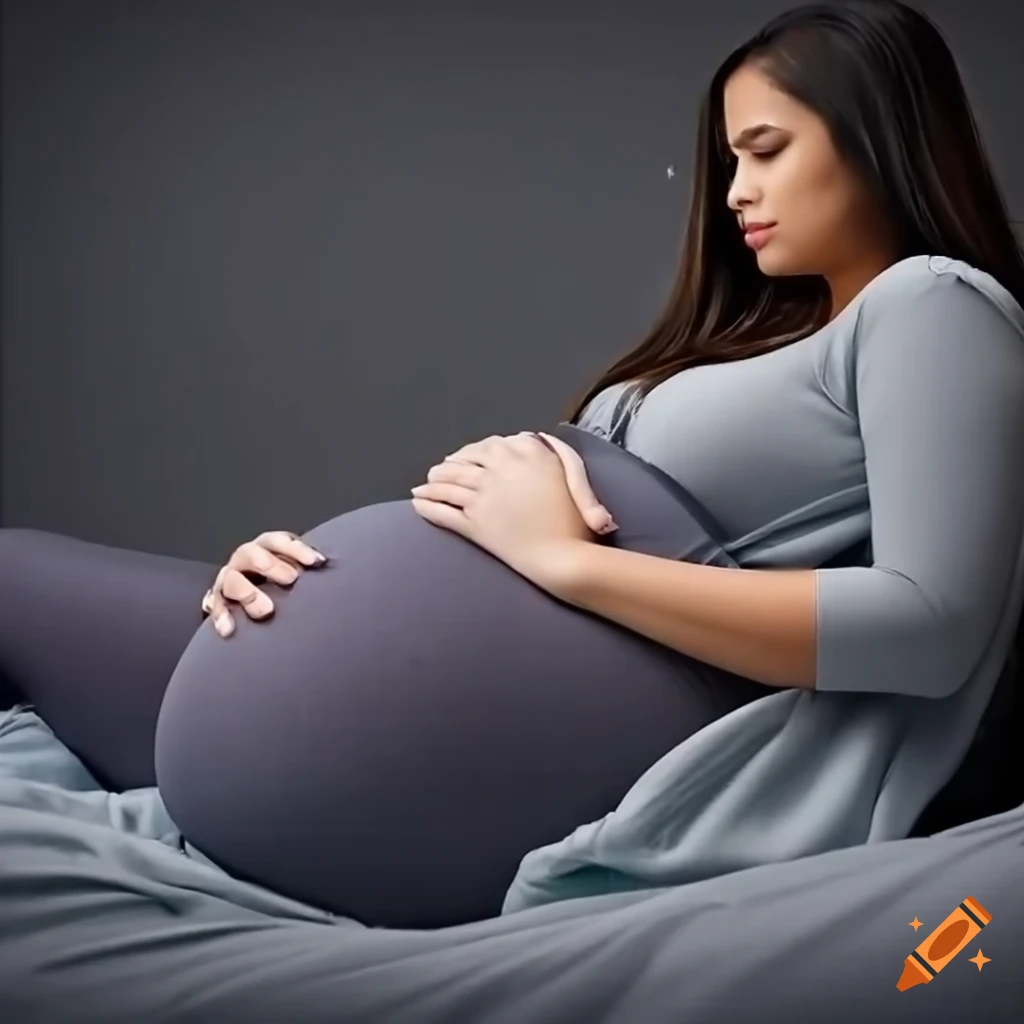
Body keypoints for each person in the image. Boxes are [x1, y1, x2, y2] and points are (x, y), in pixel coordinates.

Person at [2, 0, 1024, 928]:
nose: (734, 192)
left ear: (879, 138)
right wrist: (296, 578)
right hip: (359, 698)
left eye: (764, 151)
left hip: (531, 740)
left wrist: (564, 563)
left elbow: (929, 628)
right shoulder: (759, 332)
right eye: (726, 161)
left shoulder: (932, 304)